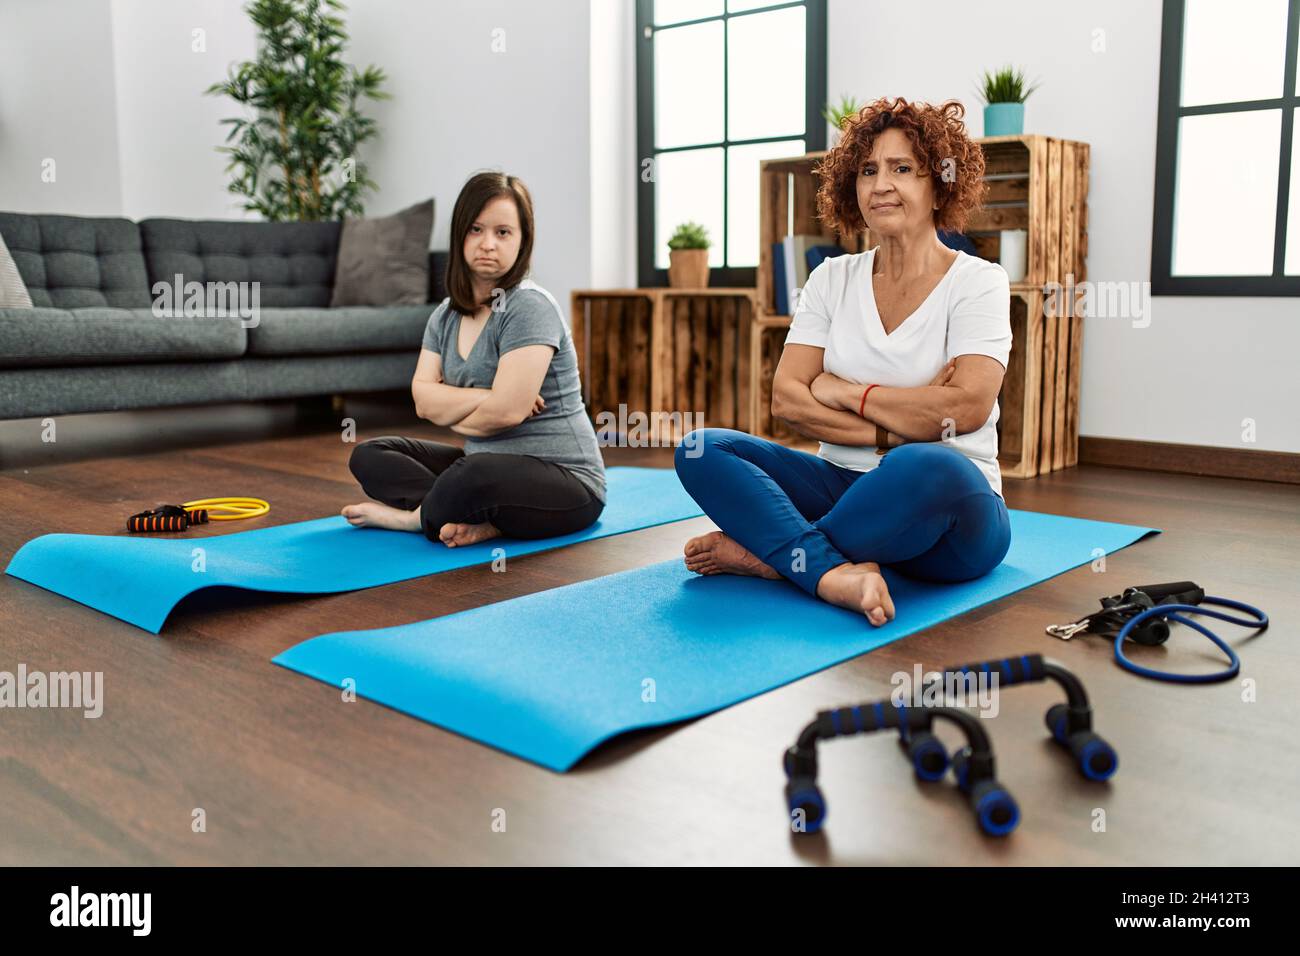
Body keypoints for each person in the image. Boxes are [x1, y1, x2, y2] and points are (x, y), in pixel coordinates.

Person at [675, 97, 1012, 626]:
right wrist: (902, 424)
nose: (881, 185)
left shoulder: (978, 281)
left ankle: (780, 560)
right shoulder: (831, 278)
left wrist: (843, 391)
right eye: (868, 170)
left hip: (950, 517)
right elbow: (788, 398)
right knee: (701, 448)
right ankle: (831, 570)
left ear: (939, 184)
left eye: (903, 169)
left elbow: (965, 408)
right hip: (840, 485)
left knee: (931, 463)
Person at [343, 171, 606, 546]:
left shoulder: (529, 307)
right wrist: (488, 396)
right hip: (483, 467)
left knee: (472, 473)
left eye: (503, 232)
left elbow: (506, 414)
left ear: (522, 241)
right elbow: (422, 400)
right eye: (476, 229)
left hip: (568, 483)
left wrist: (460, 406)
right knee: (370, 455)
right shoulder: (445, 315)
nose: (488, 244)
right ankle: (476, 515)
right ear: (460, 234)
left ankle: (416, 519)